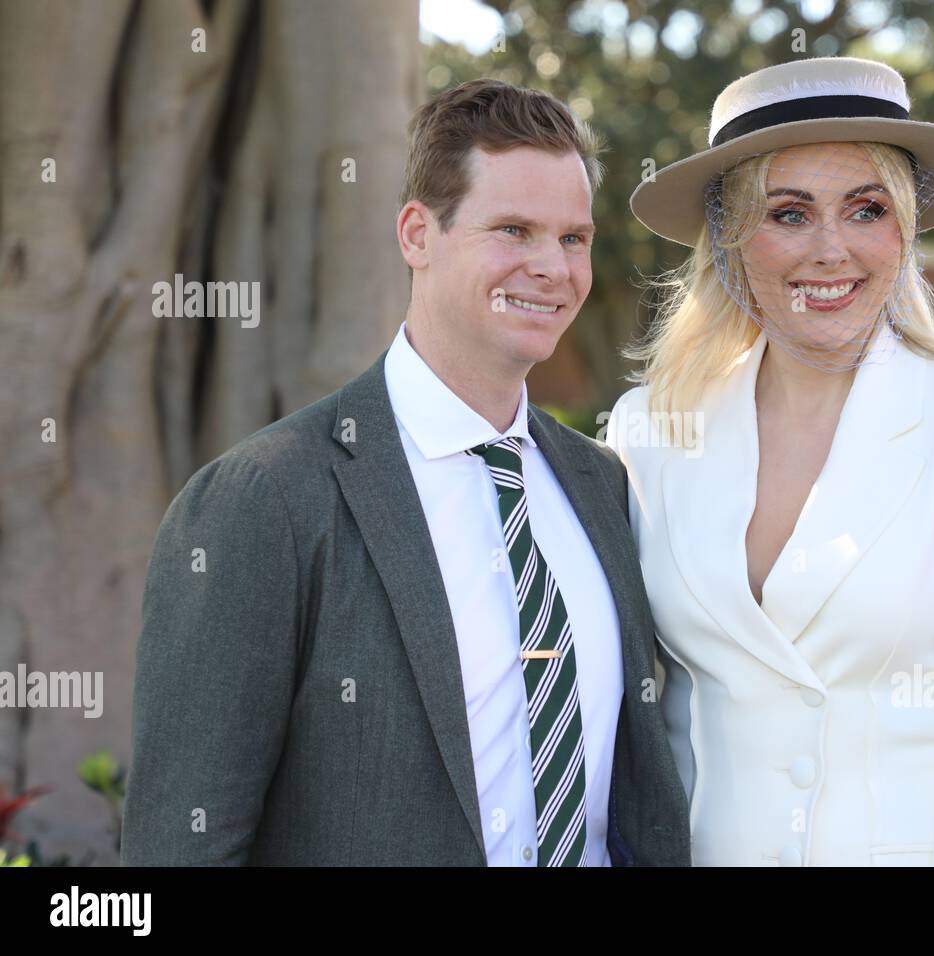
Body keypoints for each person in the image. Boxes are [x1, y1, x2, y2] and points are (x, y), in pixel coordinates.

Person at [121, 79, 689, 866]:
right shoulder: (266, 499)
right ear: (418, 234)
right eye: (514, 229)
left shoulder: (603, 486)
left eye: (573, 238)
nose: (552, 268)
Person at [606, 57, 934, 866]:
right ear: (728, 239)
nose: (832, 250)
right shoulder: (650, 428)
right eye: (788, 214)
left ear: (904, 231)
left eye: (866, 209)